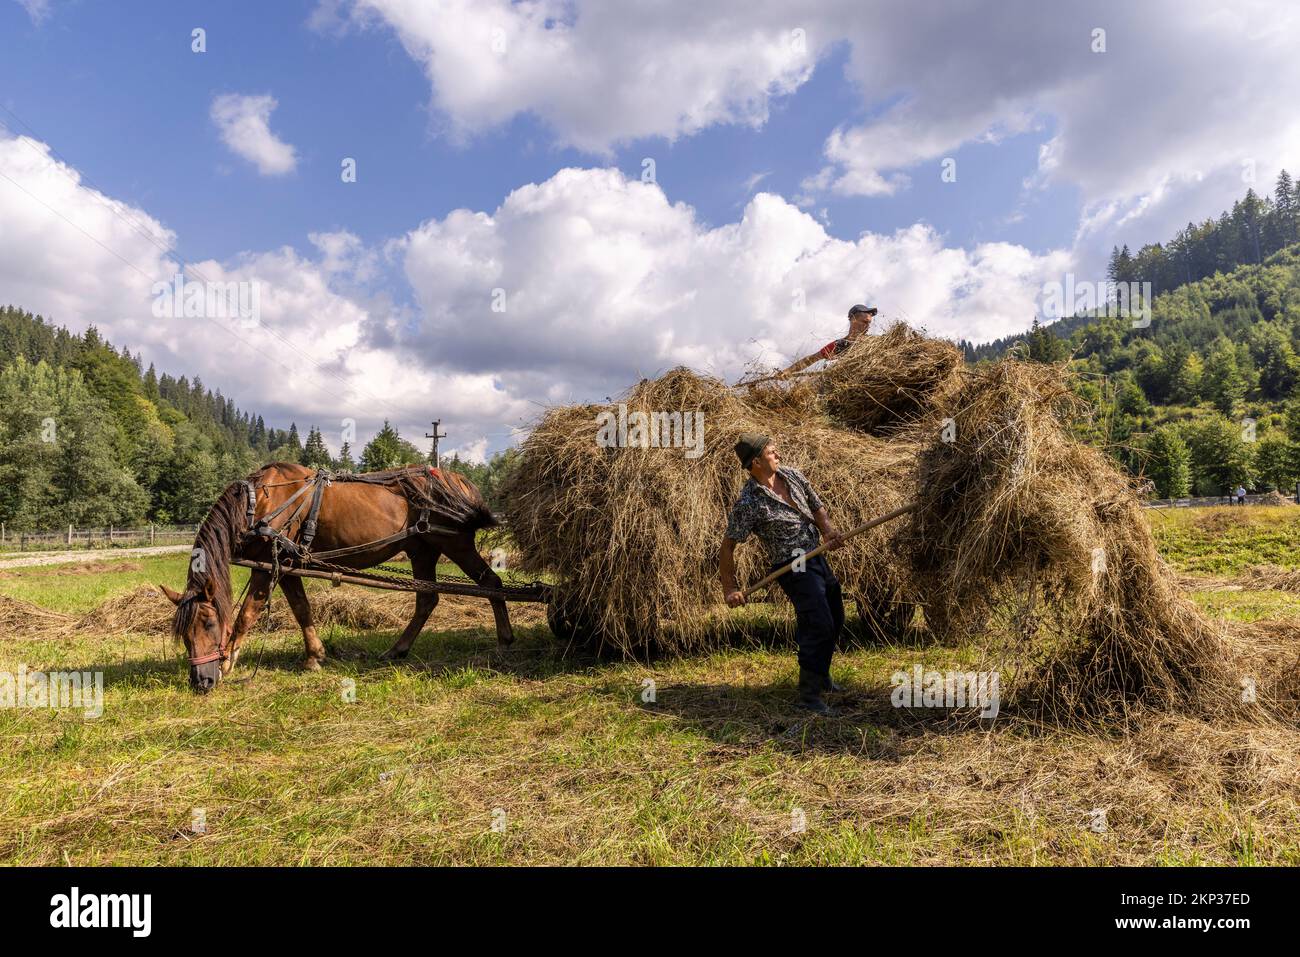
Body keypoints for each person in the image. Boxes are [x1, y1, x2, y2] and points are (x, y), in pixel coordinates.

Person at [719, 433, 846, 715]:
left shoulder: (792, 476)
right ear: (756, 462)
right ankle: (809, 695)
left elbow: (816, 505)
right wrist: (730, 588)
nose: (777, 455)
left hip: (814, 554)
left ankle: (821, 673)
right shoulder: (749, 503)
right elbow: (727, 547)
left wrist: (828, 532)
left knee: (836, 615)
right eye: (772, 453)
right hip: (792, 565)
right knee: (819, 623)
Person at [780, 304, 877, 377]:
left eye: (869, 323)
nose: (868, 326)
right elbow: (810, 359)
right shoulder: (839, 345)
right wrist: (788, 371)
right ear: (853, 319)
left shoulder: (874, 342)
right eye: (865, 322)